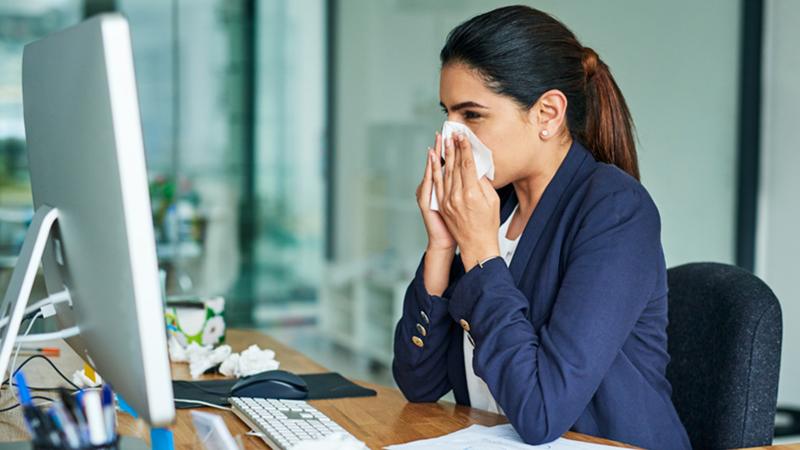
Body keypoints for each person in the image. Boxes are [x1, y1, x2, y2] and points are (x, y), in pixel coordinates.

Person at [392, 5, 690, 449]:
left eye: (471, 115)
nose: (450, 134)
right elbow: (419, 384)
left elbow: (540, 413)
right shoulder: (497, 207)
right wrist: (441, 246)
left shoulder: (616, 211)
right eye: (447, 114)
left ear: (548, 114)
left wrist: (479, 252)